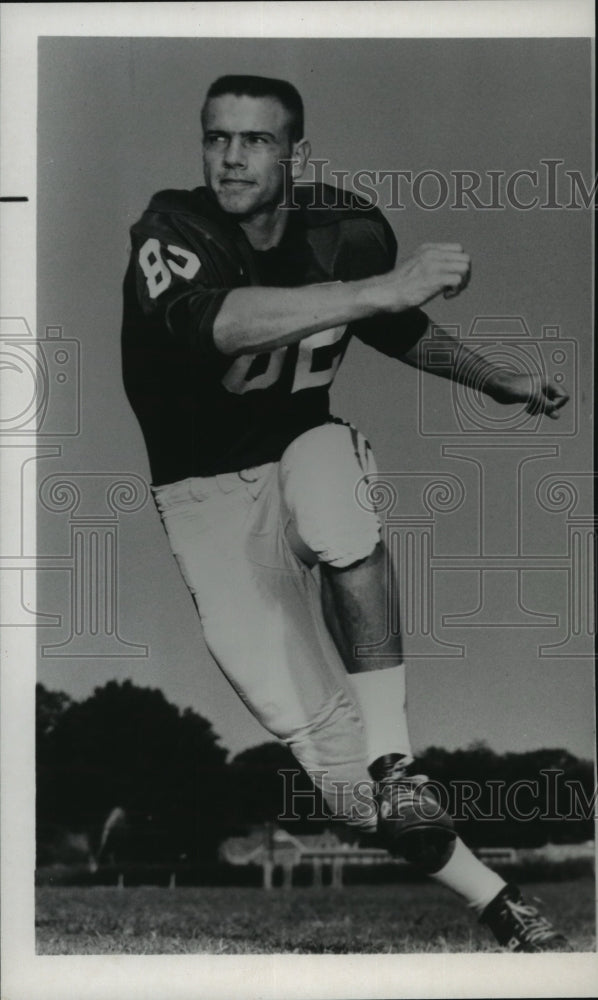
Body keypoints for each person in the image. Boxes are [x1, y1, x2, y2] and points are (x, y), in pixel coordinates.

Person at [121, 74, 570, 952]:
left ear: (296, 153)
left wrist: (493, 377)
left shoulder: (343, 228)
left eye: (255, 140)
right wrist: (385, 289)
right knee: (336, 772)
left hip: (295, 457)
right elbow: (223, 324)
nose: (232, 158)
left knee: (330, 473)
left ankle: (398, 754)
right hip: (204, 502)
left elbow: (397, 329)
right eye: (217, 138)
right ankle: (497, 901)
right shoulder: (172, 229)